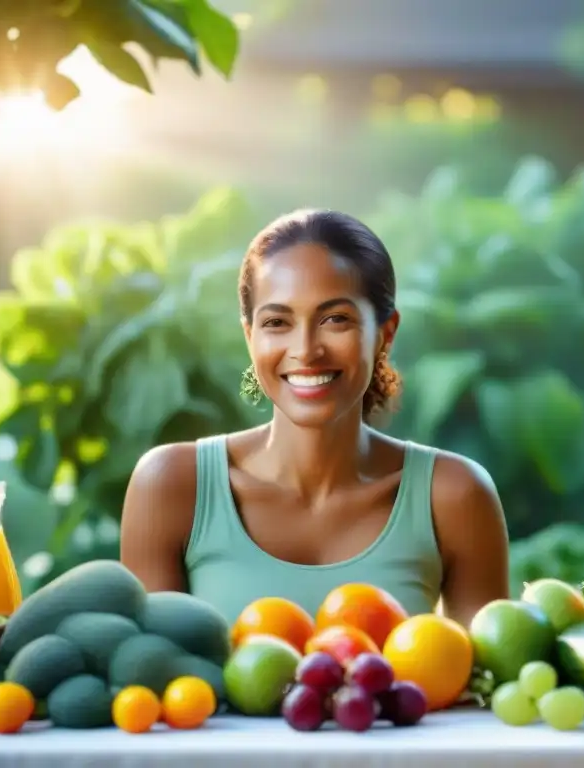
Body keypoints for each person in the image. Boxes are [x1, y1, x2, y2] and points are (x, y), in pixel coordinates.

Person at [119, 208, 510, 629]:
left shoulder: (453, 496)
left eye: (335, 319)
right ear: (251, 336)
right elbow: (150, 674)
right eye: (277, 322)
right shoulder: (173, 486)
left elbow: (486, 683)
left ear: (385, 333)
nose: (305, 349)